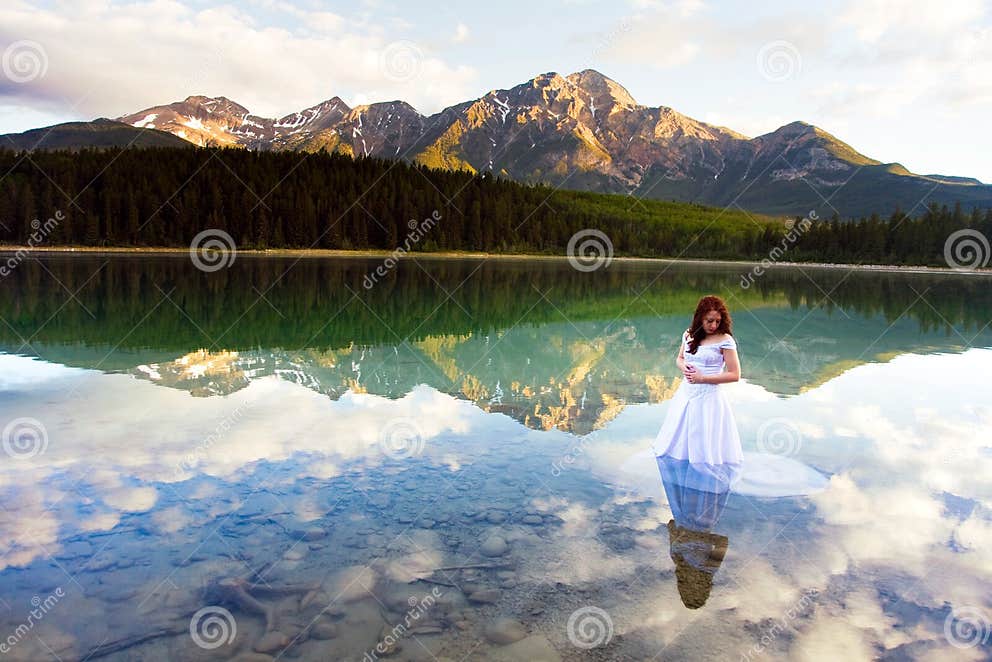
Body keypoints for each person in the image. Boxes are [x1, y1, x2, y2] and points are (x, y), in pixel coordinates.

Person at [652, 294, 743, 485]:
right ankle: (684, 479)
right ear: (700, 318)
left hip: (709, 398)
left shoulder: (725, 340)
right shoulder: (689, 334)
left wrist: (703, 378)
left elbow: (735, 374)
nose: (714, 325)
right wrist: (682, 366)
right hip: (686, 395)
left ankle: (702, 478)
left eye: (718, 321)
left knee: (704, 444)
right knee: (679, 443)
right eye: (710, 321)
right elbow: (679, 358)